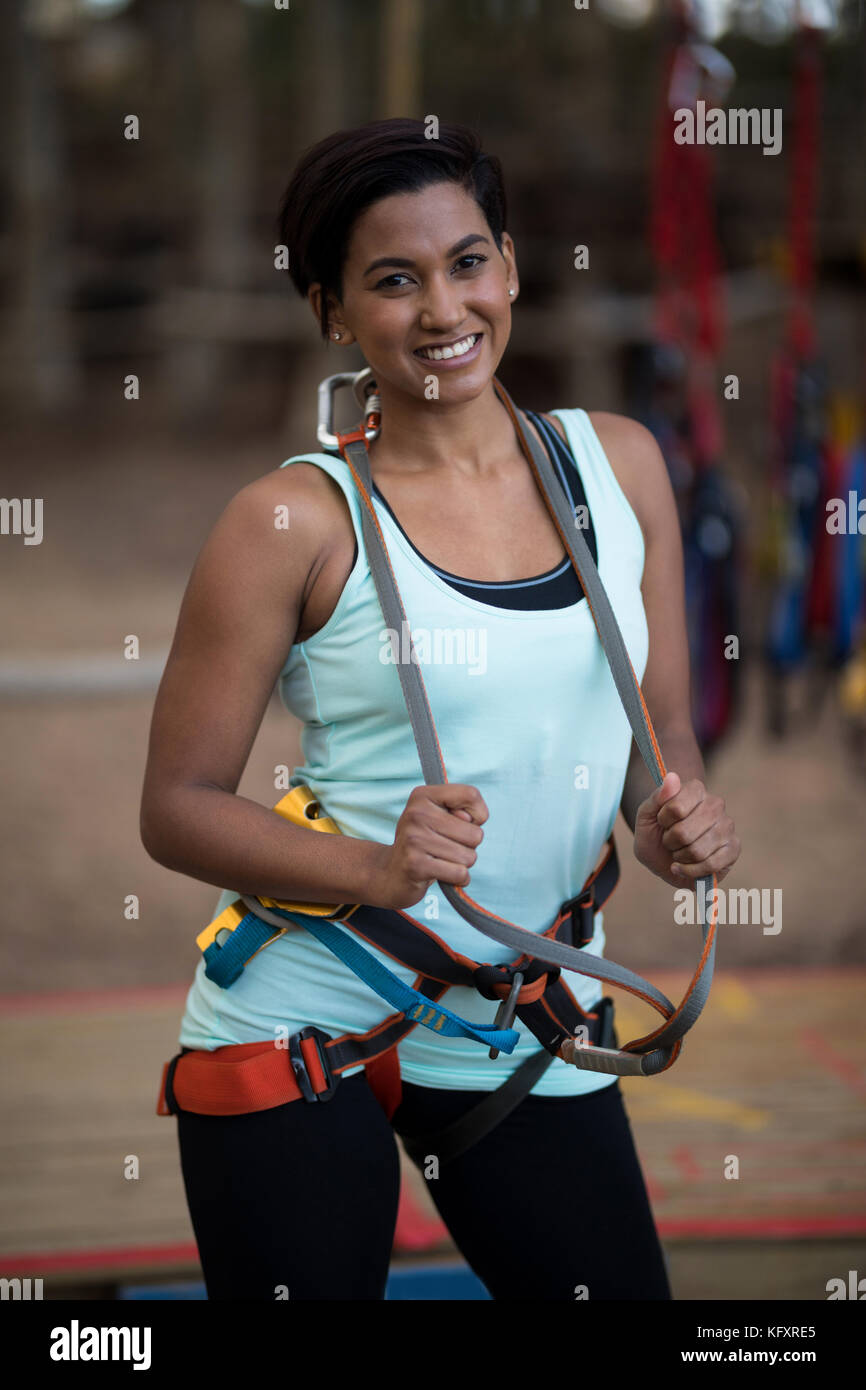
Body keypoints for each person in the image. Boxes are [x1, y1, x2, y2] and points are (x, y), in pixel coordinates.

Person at [140, 117, 740, 1302]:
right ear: (329, 310)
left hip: (528, 1019)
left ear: (510, 266)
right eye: (391, 279)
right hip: (305, 1013)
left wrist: (675, 823)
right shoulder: (291, 521)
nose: (441, 310)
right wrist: (374, 866)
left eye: (466, 263)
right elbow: (174, 807)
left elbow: (653, 738)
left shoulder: (619, 468)